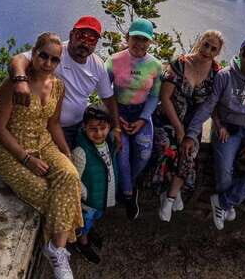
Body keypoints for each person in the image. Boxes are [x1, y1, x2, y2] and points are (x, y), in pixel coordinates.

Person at [0, 32, 82, 279]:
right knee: (50, 194)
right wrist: (26, 159)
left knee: (71, 176)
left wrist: (65, 153)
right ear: (33, 54)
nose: (48, 63)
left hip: (45, 144)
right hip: (14, 152)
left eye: (54, 60)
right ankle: (59, 251)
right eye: (43, 56)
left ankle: (55, 248)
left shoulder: (58, 86)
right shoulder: (12, 86)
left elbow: (53, 124)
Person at [181, 36, 245, 230]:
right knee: (224, 170)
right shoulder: (225, 76)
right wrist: (191, 133)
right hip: (228, 127)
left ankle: (224, 202)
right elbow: (209, 105)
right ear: (240, 54)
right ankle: (227, 204)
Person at [9, 16, 121, 150]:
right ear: (71, 34)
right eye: (81, 36)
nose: (85, 43)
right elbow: (19, 59)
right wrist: (20, 80)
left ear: (96, 43)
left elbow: (108, 98)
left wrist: (117, 127)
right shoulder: (56, 52)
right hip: (46, 125)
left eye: (91, 39)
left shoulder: (97, 65)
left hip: (80, 125)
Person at [152, 30, 224, 222]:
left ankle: (170, 197)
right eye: (206, 44)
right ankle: (167, 190)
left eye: (213, 48)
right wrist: (178, 128)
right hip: (167, 119)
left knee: (189, 151)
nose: (207, 50)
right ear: (200, 41)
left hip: (192, 126)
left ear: (217, 52)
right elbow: (165, 98)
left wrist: (214, 126)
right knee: (168, 147)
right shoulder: (180, 64)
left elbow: (214, 104)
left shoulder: (217, 74)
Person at [105, 18, 163, 220]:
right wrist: (116, 118)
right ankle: (129, 194)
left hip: (142, 114)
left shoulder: (155, 65)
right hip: (118, 111)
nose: (139, 44)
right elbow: (106, 92)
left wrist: (143, 118)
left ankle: (127, 184)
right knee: (122, 154)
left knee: (144, 153)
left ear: (150, 42)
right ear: (127, 37)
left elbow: (155, 96)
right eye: (136, 38)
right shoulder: (113, 61)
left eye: (144, 40)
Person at [70, 104, 118, 265]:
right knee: (84, 223)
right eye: (93, 129)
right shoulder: (80, 152)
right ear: (84, 127)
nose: (98, 133)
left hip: (101, 196)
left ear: (109, 126)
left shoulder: (109, 143)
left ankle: (89, 234)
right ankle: (82, 244)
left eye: (103, 128)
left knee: (94, 218)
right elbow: (75, 178)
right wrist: (86, 195)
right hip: (88, 201)